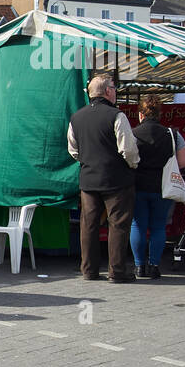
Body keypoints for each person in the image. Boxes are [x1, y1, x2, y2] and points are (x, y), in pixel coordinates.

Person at [68, 75, 140, 283]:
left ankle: (89, 270)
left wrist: (88, 160)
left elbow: (73, 149)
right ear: (107, 91)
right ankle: (116, 272)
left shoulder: (76, 117)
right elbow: (128, 149)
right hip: (116, 179)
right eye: (114, 88)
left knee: (88, 224)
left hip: (89, 179)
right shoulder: (117, 116)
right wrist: (133, 165)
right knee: (117, 223)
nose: (116, 91)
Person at [130, 94, 185, 279]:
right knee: (158, 226)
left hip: (137, 186)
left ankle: (139, 267)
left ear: (141, 114)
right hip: (164, 187)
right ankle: (154, 266)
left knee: (137, 225)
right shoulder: (173, 134)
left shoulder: (132, 134)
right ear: (159, 114)